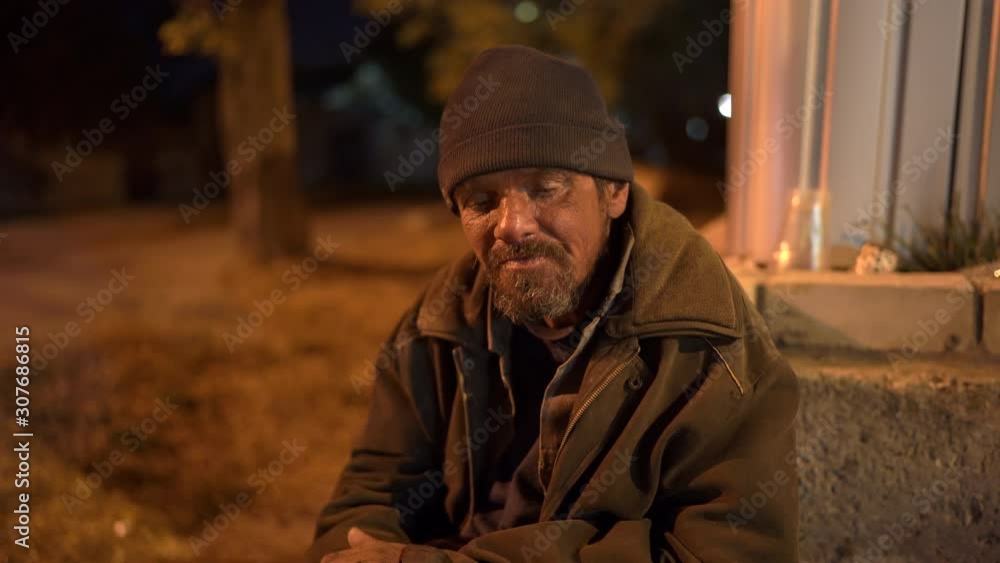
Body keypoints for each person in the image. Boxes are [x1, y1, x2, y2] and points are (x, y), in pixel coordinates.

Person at [308, 45, 799, 563]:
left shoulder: (707, 349)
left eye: (544, 188)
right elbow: (371, 491)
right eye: (481, 201)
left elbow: (727, 553)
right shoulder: (439, 322)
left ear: (614, 193)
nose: (512, 226)